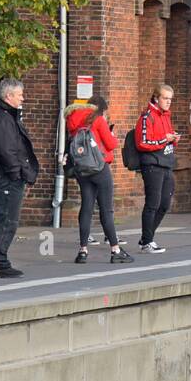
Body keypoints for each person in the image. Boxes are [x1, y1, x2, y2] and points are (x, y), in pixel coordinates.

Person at [0, 78, 38, 277]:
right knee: (6, 219)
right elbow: (7, 149)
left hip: (4, 174)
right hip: (6, 176)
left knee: (6, 218)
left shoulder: (2, 116)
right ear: (9, 96)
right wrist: (15, 173)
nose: (23, 98)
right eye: (20, 94)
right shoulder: (3, 118)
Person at [65, 95, 133, 264]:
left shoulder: (72, 119)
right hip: (99, 168)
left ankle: (82, 251)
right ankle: (115, 250)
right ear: (100, 109)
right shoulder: (98, 119)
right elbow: (111, 144)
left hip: (81, 169)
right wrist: (110, 133)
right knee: (106, 210)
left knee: (86, 206)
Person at [134, 83, 180, 253]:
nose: (168, 102)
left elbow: (166, 136)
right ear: (156, 98)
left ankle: (146, 238)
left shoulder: (165, 115)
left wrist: (173, 138)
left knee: (165, 204)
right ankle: (147, 241)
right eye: (165, 98)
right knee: (152, 203)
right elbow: (142, 143)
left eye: (170, 99)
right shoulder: (147, 117)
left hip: (166, 163)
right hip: (152, 164)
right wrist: (164, 139)